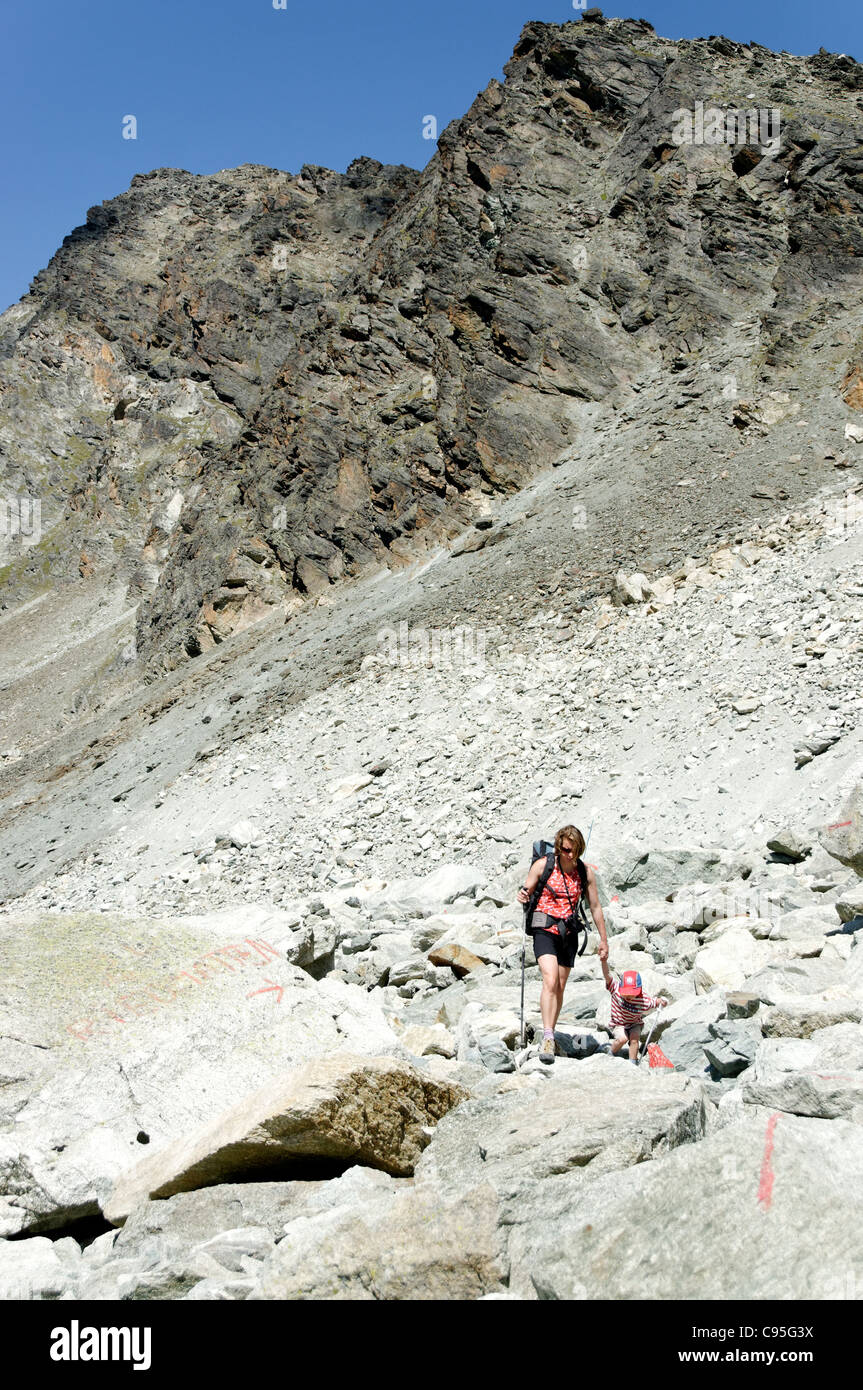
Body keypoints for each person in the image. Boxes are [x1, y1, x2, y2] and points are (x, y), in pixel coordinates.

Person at [517, 825, 609, 1064]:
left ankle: (551, 1030)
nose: (571, 855)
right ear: (559, 846)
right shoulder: (543, 865)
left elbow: (595, 907)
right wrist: (522, 896)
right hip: (544, 929)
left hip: (569, 933)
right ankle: (548, 1036)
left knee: (560, 985)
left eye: (576, 851)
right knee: (550, 979)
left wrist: (603, 940)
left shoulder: (583, 872)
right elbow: (526, 890)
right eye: (567, 850)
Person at [600, 963, 667, 1061]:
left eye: (632, 994)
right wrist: (604, 961)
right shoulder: (615, 989)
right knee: (622, 1039)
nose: (628, 996)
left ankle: (633, 1061)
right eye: (625, 993)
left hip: (634, 1023)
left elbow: (654, 1002)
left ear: (639, 991)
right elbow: (607, 975)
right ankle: (610, 1053)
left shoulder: (643, 1000)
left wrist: (661, 1002)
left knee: (634, 1039)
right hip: (619, 1023)